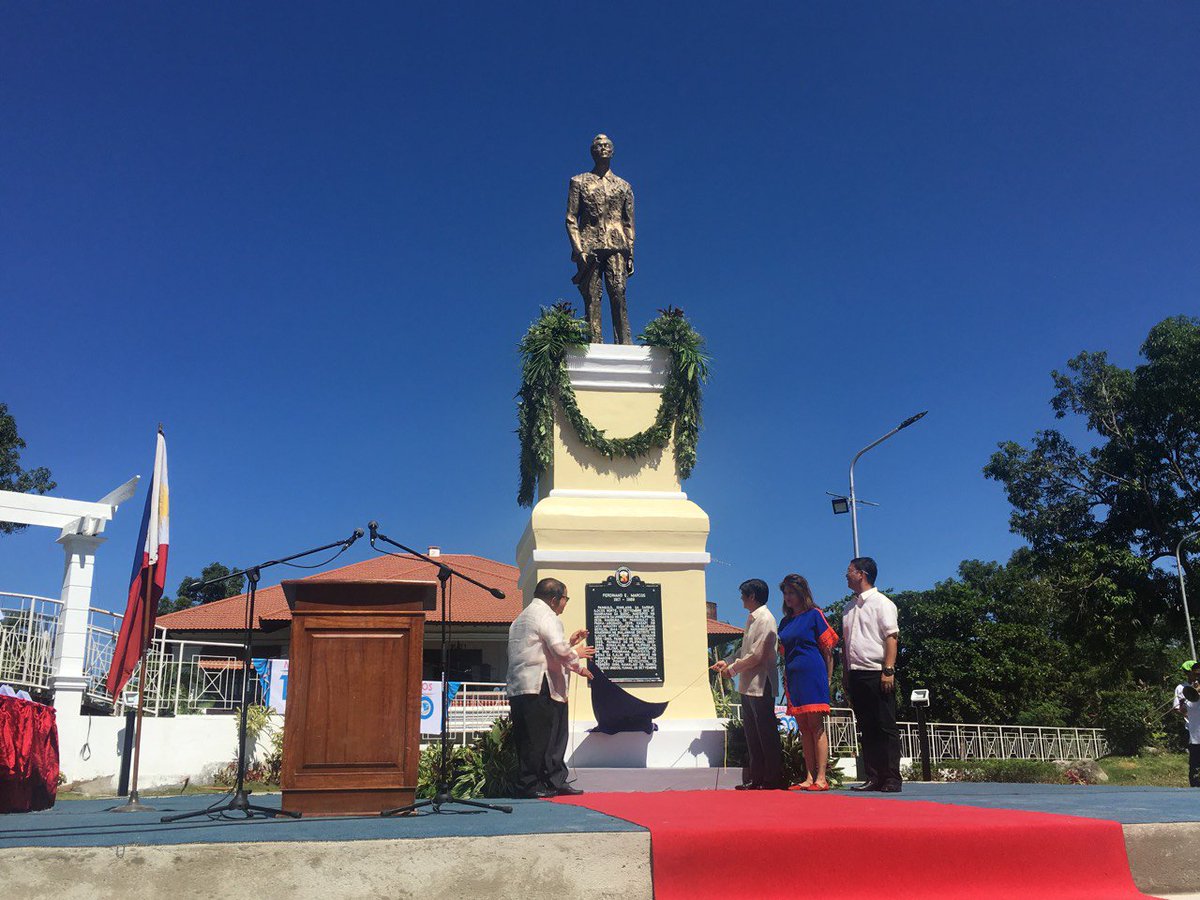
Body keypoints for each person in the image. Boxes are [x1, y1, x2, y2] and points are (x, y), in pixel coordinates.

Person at [506, 577, 595, 799]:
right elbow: (559, 651)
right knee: (547, 737)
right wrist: (577, 655)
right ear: (554, 599)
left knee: (530, 737)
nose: (566, 603)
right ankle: (539, 782)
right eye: (565, 598)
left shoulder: (521, 618)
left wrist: (571, 646)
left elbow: (543, 649)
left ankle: (543, 781)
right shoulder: (548, 615)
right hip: (540, 685)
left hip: (521, 685)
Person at [712, 578, 783, 790]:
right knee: (752, 733)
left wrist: (732, 670)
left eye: (743, 594)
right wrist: (729, 661)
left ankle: (772, 778)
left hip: (761, 683)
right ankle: (757, 777)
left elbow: (757, 655)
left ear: (752, 596)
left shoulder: (766, 619)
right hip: (747, 683)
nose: (741, 599)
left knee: (765, 732)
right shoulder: (751, 618)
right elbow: (745, 651)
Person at [565, 133, 635, 344]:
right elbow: (571, 218)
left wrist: (631, 253)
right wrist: (579, 250)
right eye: (599, 146)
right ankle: (594, 342)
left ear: (612, 151)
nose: (603, 148)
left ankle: (624, 342)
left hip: (617, 244)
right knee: (592, 295)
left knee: (618, 291)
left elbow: (628, 222)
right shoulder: (579, 181)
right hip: (590, 245)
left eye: (607, 145)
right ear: (592, 152)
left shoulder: (624, 186)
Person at [841, 557, 902, 792]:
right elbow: (847, 644)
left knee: (885, 725)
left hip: (877, 671)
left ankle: (892, 778)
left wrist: (888, 670)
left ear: (862, 574)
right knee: (866, 726)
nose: (846, 575)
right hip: (856, 673)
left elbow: (891, 637)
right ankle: (873, 776)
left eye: (849, 571)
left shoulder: (882, 603)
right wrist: (846, 673)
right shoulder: (848, 608)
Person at [777, 574, 839, 791]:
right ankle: (809, 776)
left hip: (813, 674)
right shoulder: (785, 622)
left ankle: (822, 777)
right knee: (803, 728)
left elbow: (828, 649)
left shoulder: (815, 615)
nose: (788, 598)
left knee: (816, 726)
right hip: (794, 677)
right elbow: (783, 650)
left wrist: (828, 678)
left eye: (791, 592)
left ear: (802, 592)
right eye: (785, 593)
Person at [1175, 660, 1200, 788]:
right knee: (1195, 763)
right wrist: (1187, 697)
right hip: (1193, 731)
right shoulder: (1181, 688)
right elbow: (1179, 709)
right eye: (1194, 672)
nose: (1197, 675)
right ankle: (1195, 788)